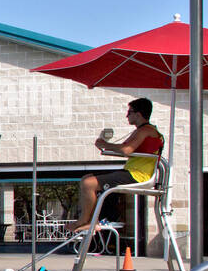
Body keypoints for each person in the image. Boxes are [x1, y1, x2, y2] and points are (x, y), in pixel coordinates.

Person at [68, 98, 164, 233]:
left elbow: (126, 150)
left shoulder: (145, 131)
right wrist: (105, 147)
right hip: (133, 172)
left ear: (139, 114)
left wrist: (104, 144)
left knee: (88, 183)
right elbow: (126, 149)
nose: (127, 115)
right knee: (88, 178)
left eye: (129, 112)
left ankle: (86, 221)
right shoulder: (143, 131)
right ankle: (90, 221)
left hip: (138, 176)